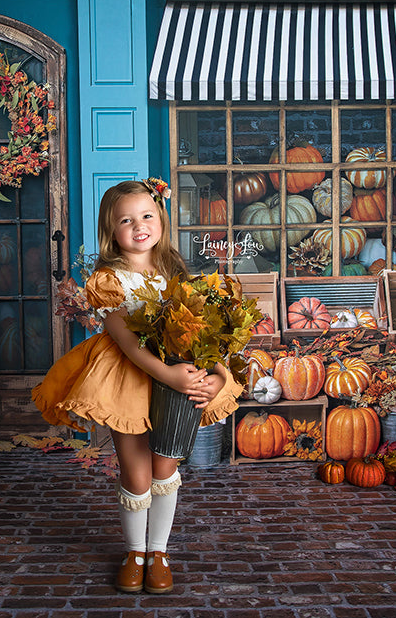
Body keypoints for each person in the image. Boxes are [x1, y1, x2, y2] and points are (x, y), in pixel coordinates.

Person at [31, 178, 241, 594]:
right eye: (126, 220)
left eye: (147, 215)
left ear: (160, 218)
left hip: (178, 375)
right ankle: (135, 552)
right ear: (112, 231)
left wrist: (217, 375)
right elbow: (126, 341)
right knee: (137, 472)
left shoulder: (177, 273)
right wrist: (167, 375)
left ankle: (160, 551)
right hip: (128, 377)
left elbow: (202, 334)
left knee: (165, 467)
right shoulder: (110, 278)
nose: (139, 225)